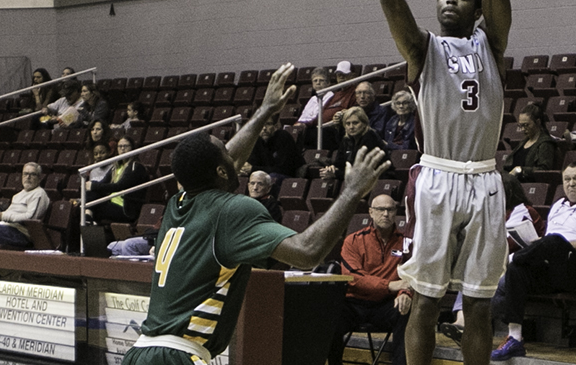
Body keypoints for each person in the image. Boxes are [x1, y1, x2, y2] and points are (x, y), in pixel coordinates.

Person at [120, 64, 391, 365]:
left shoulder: (179, 204)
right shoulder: (233, 209)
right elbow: (307, 252)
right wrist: (352, 191)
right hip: (179, 356)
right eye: (225, 150)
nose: (236, 154)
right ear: (222, 170)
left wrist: (264, 111)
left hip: (139, 352)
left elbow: (221, 161)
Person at [371, 0, 512, 365]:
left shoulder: (489, 43)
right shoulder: (421, 49)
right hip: (436, 177)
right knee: (426, 301)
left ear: (476, 10)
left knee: (478, 307)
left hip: (485, 181)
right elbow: (390, 0)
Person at [490, 162, 576, 361]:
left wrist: (557, 245)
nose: (571, 184)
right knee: (517, 269)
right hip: (555, 270)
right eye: (567, 179)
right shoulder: (558, 205)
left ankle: (515, 256)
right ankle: (514, 338)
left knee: (554, 241)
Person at [439, 175, 544, 344]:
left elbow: (506, 243)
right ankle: (461, 322)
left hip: (520, 267)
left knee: (484, 278)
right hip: (495, 265)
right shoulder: (493, 212)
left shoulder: (525, 211)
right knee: (468, 271)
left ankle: (470, 325)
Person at [328, 194, 412, 365]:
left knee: (406, 310)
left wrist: (404, 292)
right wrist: (389, 285)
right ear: (371, 212)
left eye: (390, 209)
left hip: (385, 305)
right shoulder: (353, 240)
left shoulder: (406, 243)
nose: (386, 214)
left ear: (396, 212)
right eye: (381, 209)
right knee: (328, 313)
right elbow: (353, 278)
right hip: (354, 304)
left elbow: (410, 275)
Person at [85, 137, 150, 224]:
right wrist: (91, 186)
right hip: (112, 203)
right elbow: (103, 184)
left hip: (125, 208)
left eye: (125, 146)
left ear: (132, 148)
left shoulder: (136, 167)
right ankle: (89, 219)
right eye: (120, 146)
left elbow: (119, 186)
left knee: (94, 205)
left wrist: (93, 186)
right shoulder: (116, 167)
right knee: (87, 200)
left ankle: (88, 218)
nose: (122, 149)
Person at [321, 106, 386, 184]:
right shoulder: (346, 139)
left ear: (364, 123)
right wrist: (332, 169)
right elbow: (339, 163)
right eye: (348, 124)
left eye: (355, 123)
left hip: (378, 179)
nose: (351, 127)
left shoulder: (371, 137)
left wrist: (336, 173)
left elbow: (360, 171)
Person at [503, 103, 558, 182]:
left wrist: (520, 170)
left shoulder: (545, 143)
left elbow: (544, 170)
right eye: (520, 125)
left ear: (538, 122)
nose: (523, 129)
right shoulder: (523, 142)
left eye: (526, 125)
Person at [239, 113, 303, 178]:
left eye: (268, 124)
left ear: (276, 126)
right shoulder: (256, 140)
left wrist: (253, 169)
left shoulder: (283, 137)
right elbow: (251, 163)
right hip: (266, 175)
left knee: (271, 177)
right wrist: (244, 169)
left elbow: (284, 169)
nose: (264, 128)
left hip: (288, 176)